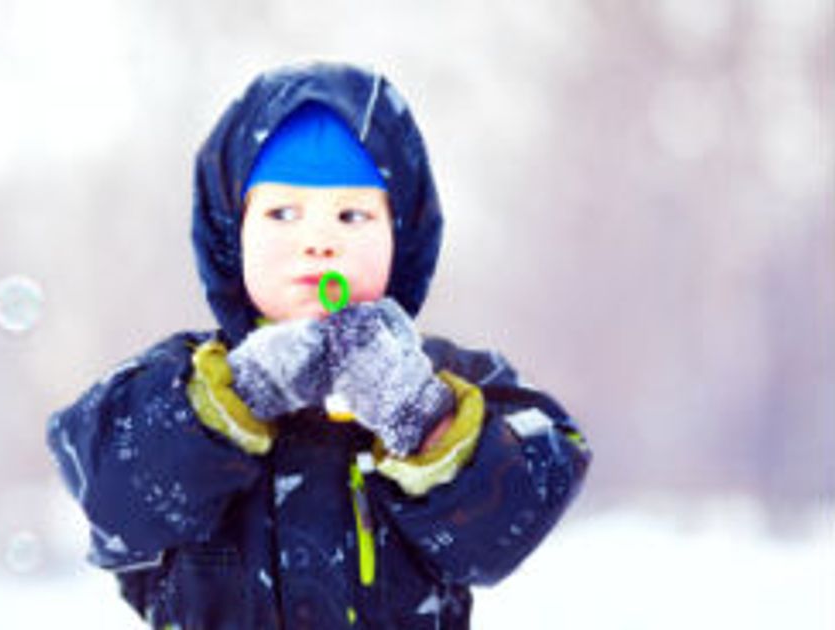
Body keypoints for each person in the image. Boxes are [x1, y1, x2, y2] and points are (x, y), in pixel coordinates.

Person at [46, 61, 591, 629]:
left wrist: (425, 421)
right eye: (283, 213)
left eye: (352, 215)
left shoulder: (447, 383)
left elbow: (523, 506)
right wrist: (240, 396)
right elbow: (109, 492)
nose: (319, 242)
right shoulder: (177, 386)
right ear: (232, 234)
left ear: (401, 239)